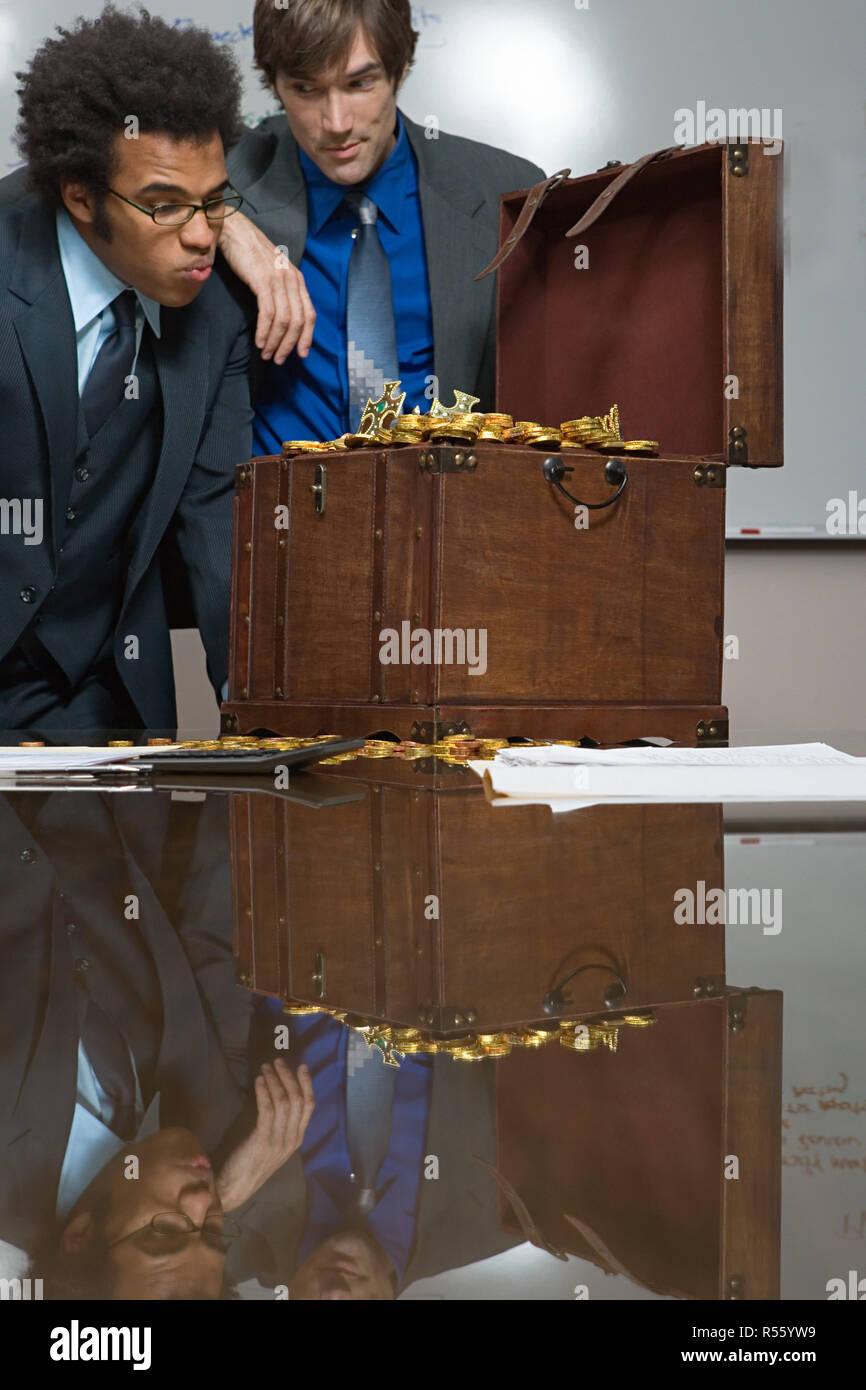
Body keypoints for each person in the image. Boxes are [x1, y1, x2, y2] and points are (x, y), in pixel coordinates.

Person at [0, 7, 254, 740]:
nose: (203, 235)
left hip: (100, 708)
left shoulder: (217, 321)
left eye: (213, 204)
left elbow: (217, 529)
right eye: (165, 207)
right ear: (79, 195)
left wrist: (263, 718)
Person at [220, 0, 547, 447]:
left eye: (360, 83)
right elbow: (116, 178)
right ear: (275, 86)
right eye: (306, 89)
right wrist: (222, 220)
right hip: (272, 505)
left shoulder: (507, 194)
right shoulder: (226, 177)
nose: (336, 123)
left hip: (447, 502)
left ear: (400, 68)